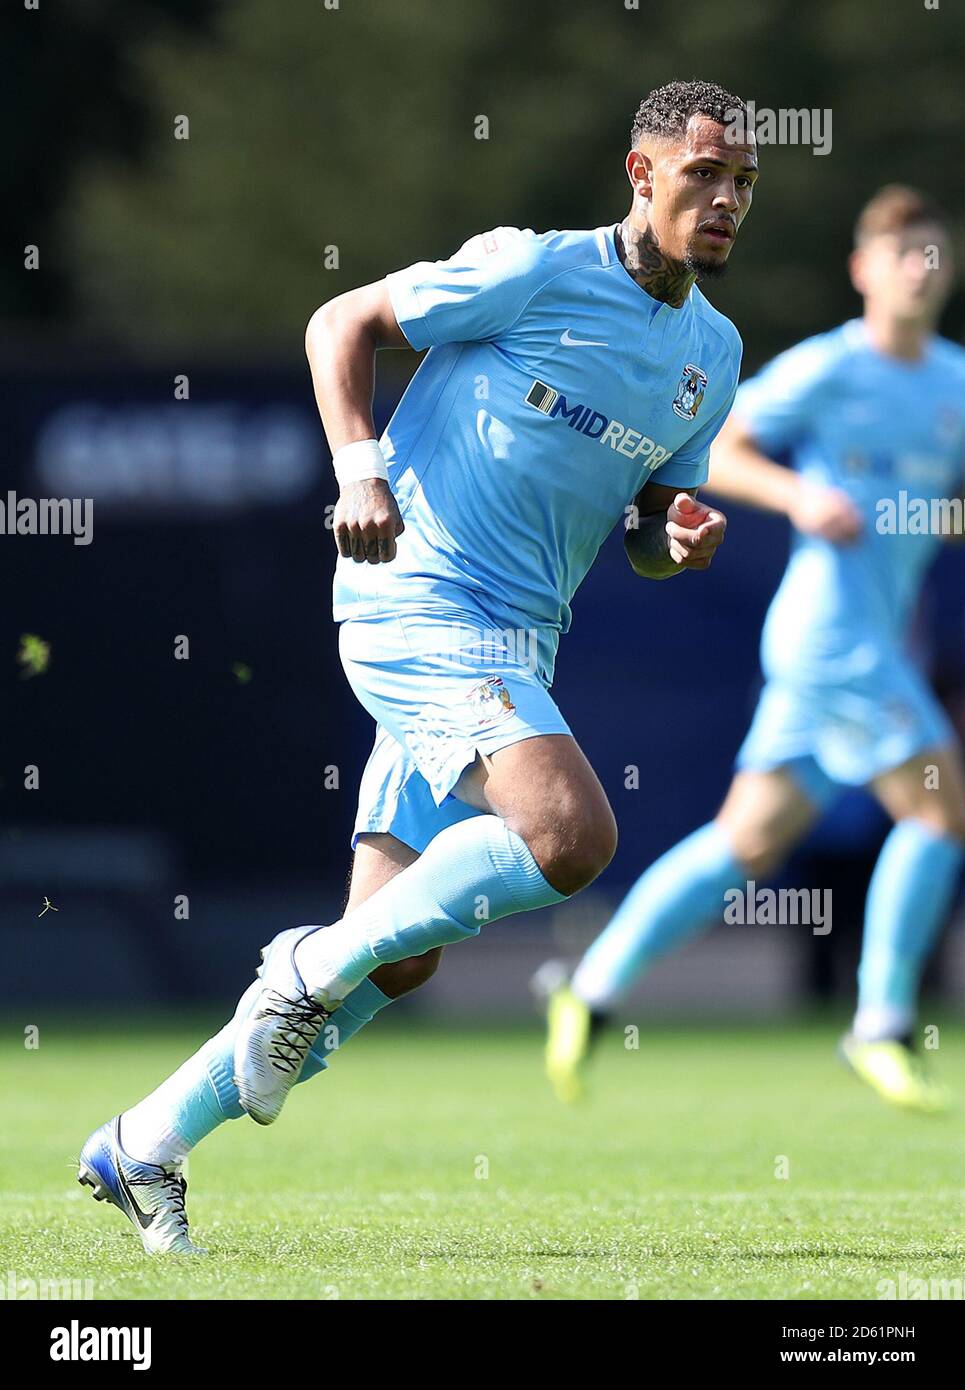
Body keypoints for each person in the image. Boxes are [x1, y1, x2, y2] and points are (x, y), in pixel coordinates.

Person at [78, 79, 754, 1253]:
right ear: (640, 175)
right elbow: (339, 322)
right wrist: (357, 472)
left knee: (393, 966)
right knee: (570, 837)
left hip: (515, 641)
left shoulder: (712, 352)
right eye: (703, 175)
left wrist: (673, 544)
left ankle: (146, 1142)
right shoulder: (532, 268)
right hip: (418, 601)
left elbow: (644, 528)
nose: (726, 199)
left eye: (744, 181)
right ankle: (306, 964)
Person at [546, 185, 965, 1113]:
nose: (919, 271)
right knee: (939, 810)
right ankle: (883, 1025)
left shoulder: (953, 384)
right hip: (832, 639)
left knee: (743, 842)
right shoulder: (827, 369)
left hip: (861, 645)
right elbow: (721, 450)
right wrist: (799, 498)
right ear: (862, 270)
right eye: (903, 253)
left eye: (935, 255)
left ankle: (589, 986)